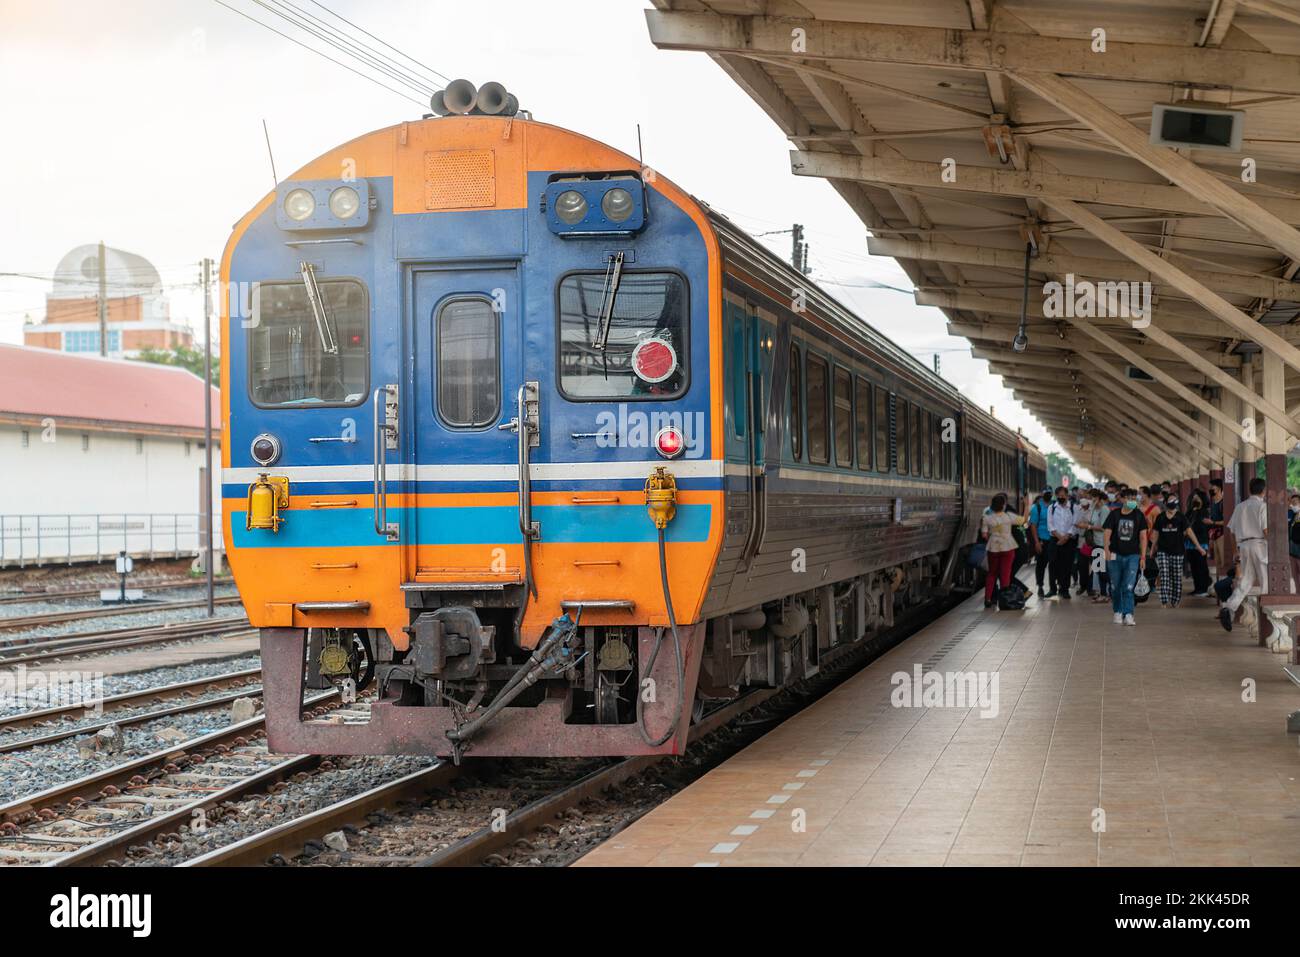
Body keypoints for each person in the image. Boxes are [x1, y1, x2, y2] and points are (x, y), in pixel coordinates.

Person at [1221, 477, 1268, 632]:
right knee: (1265, 580)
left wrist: (1235, 550)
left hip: (1243, 545)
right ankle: (1266, 617)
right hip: (1259, 544)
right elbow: (1266, 531)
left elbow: (1231, 531)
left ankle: (1229, 607)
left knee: (1246, 581)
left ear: (1249, 490)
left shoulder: (1240, 507)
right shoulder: (1262, 506)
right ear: (1263, 491)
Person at [1104, 487, 1149, 626]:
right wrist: (1106, 550)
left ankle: (1129, 613)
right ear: (1122, 499)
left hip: (1133, 556)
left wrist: (1143, 557)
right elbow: (1107, 533)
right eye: (1129, 498)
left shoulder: (1139, 515)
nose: (1132, 501)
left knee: (1128, 586)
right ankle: (1117, 611)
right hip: (1114, 555)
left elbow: (1143, 537)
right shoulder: (1114, 515)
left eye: (1134, 499)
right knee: (1115, 586)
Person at [1150, 495, 1205, 608]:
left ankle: (1175, 600)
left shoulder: (1181, 517)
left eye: (1173, 500)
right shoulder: (1160, 517)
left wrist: (1198, 547)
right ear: (1165, 503)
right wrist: (1152, 549)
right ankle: (1164, 601)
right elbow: (1155, 534)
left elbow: (1189, 532)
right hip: (1163, 550)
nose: (1171, 503)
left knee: (1176, 577)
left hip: (1177, 551)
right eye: (1169, 500)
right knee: (1164, 575)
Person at [980, 492, 1030, 609]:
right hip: (1007, 547)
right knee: (1005, 574)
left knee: (992, 573)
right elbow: (1024, 520)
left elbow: (984, 535)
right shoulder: (1008, 516)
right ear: (1003, 505)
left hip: (993, 548)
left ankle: (987, 599)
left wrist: (993, 536)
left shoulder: (987, 517)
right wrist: (1027, 506)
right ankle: (1004, 600)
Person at [1047, 485, 1080, 600]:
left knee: (1067, 565)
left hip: (1069, 540)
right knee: (1053, 564)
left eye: (1063, 495)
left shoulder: (1074, 508)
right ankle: (1052, 589)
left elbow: (1075, 524)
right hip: (1055, 540)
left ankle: (1064, 589)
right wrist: (1059, 537)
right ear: (1056, 496)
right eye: (1059, 495)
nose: (1061, 497)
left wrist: (1066, 537)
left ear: (1067, 495)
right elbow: (1050, 525)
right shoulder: (1052, 507)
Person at [1185, 488, 1213, 597]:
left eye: (1197, 498)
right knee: (1194, 566)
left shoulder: (1205, 511)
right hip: (1190, 543)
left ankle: (1203, 588)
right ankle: (1197, 588)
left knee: (1201, 566)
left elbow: (1203, 527)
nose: (1195, 500)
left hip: (1201, 542)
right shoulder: (1190, 512)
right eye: (1194, 498)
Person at [1028, 487, 1054, 598]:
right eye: (1045, 493)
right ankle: (1040, 586)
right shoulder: (1036, 508)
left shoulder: (1055, 506)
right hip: (1042, 540)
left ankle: (1054, 587)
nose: (1047, 495)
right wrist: (1036, 542)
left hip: (1054, 540)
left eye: (1049, 493)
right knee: (1041, 565)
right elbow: (1033, 525)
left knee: (1054, 565)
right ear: (1042, 495)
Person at [1208, 479, 1226, 572]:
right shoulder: (1213, 504)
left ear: (1219, 488)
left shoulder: (1223, 503)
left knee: (1223, 560)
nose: (1210, 489)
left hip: (1222, 535)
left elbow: (1226, 521)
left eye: (1212, 487)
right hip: (1214, 535)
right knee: (1217, 561)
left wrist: (1212, 523)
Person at [1289, 492, 1300, 593]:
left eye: (1295, 503)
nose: (1292, 505)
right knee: (1294, 573)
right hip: (1292, 550)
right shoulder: (1293, 515)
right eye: (1291, 503)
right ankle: (1298, 593)